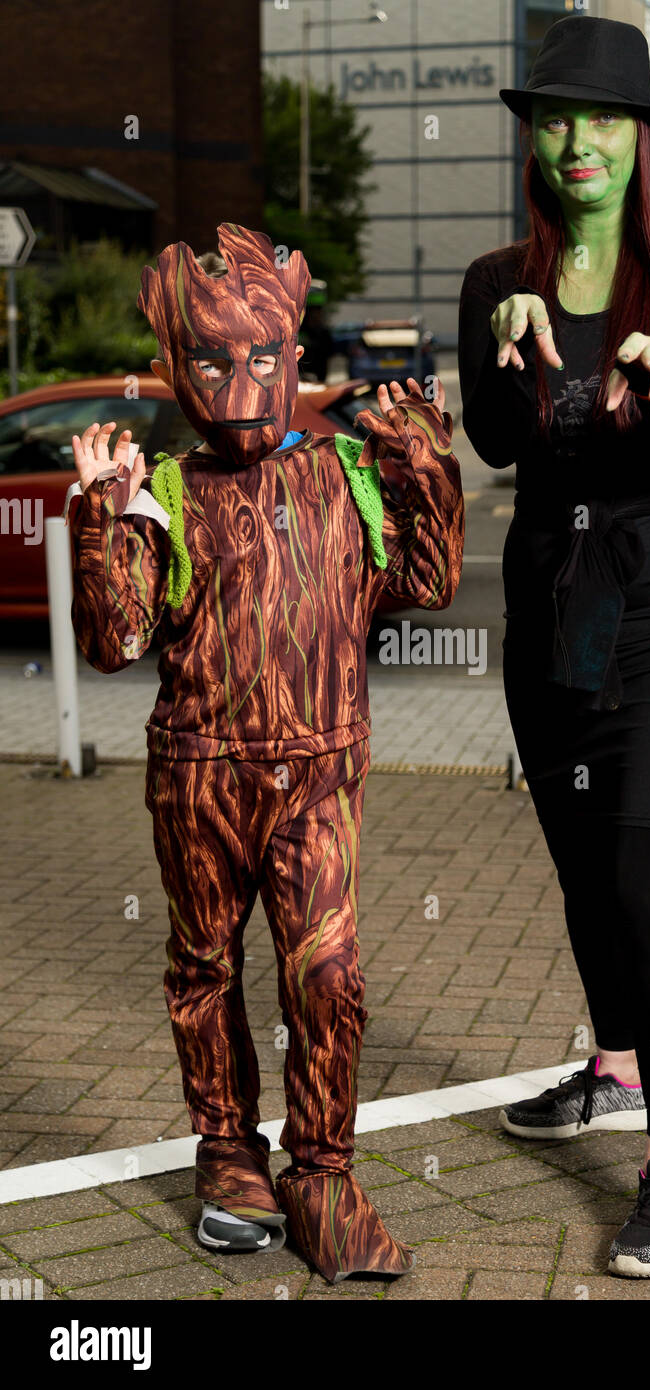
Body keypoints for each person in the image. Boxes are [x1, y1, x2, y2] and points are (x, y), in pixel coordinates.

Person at [64, 223, 464, 1284]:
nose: (237, 381)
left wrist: (426, 467)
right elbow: (115, 640)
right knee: (203, 963)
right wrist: (103, 515)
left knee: (325, 971)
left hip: (319, 771)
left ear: (293, 356)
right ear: (172, 366)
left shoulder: (343, 474)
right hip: (197, 769)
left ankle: (322, 1169)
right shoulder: (168, 492)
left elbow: (425, 584)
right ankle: (226, 1152)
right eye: (207, 359)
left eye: (259, 356)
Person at [458, 15, 650, 1279]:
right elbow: (490, 442)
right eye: (552, 117)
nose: (573, 138)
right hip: (555, 604)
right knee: (586, 877)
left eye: (598, 116)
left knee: (649, 882)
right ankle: (617, 1067)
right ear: (537, 138)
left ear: (641, 135)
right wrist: (501, 349)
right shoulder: (493, 279)